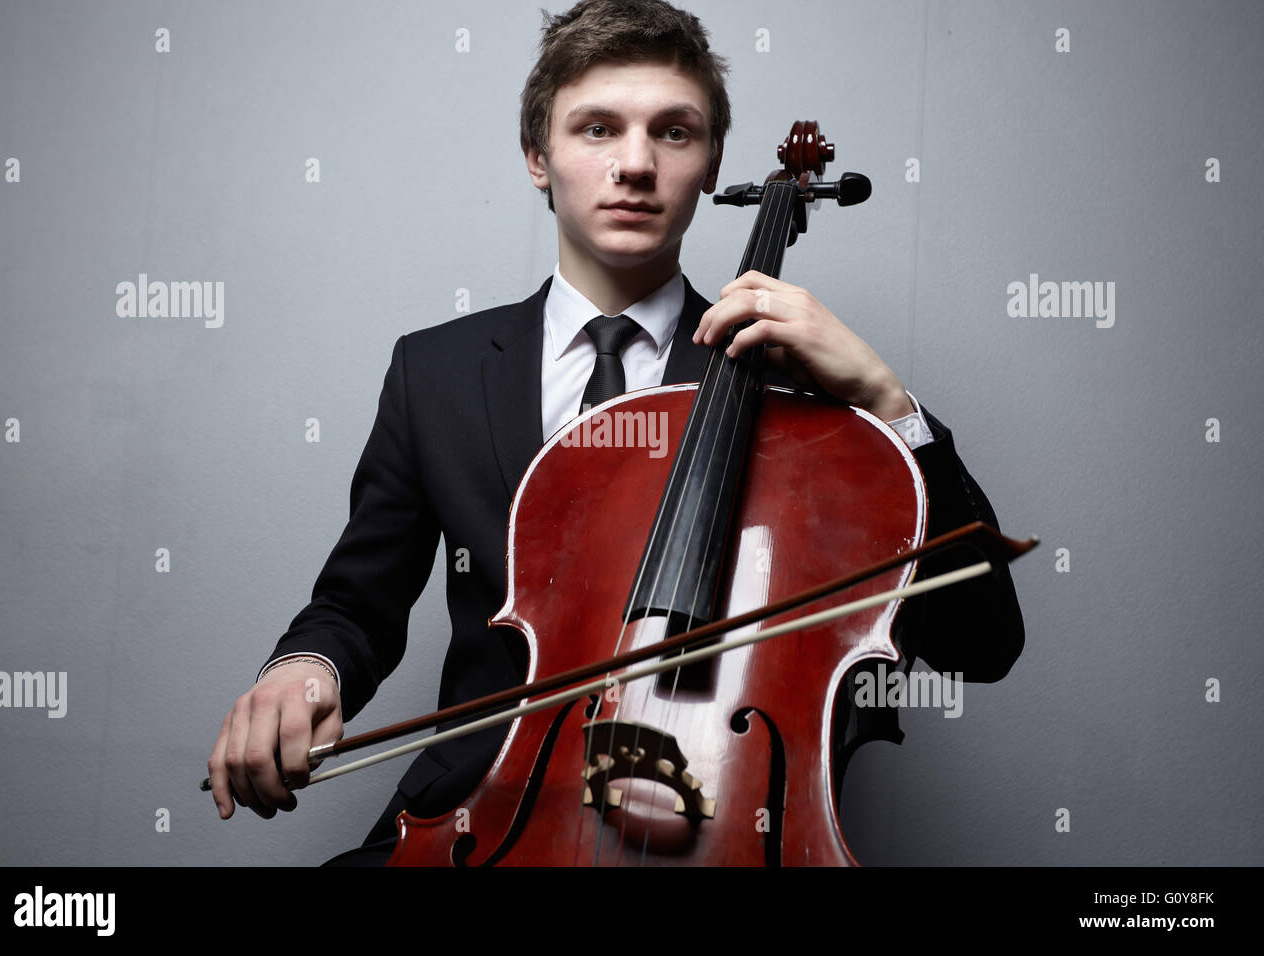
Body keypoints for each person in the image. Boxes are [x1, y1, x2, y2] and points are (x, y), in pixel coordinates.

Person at [206, 0, 1024, 865]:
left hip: (721, 825)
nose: (635, 164)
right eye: (597, 129)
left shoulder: (798, 397)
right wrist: (305, 670)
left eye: (674, 132)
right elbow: (356, 606)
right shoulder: (434, 371)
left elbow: (979, 644)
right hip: (482, 824)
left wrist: (888, 403)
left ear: (711, 165)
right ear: (538, 156)